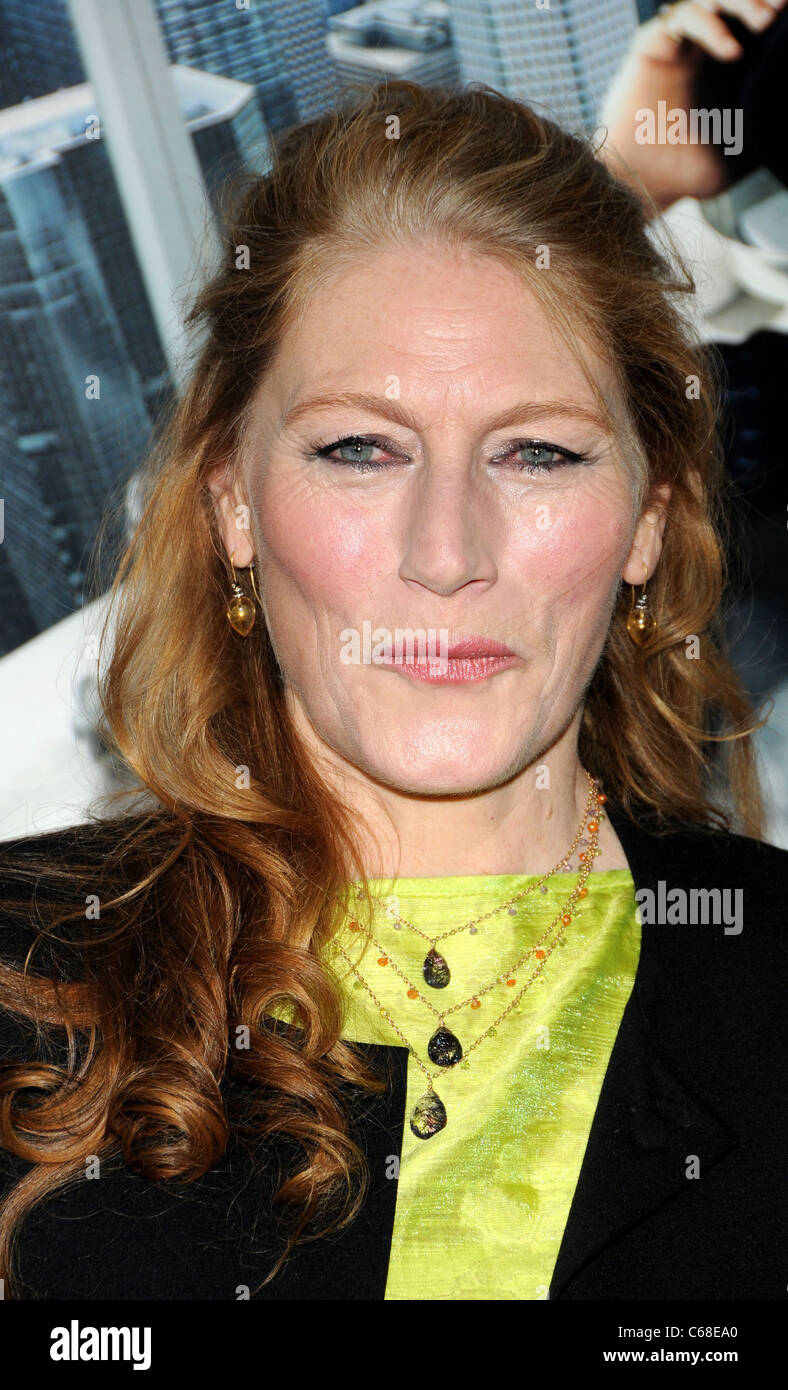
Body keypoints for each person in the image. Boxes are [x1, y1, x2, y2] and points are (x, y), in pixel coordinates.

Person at [0, 79, 785, 1302]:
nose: (445, 551)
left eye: (537, 452)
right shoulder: (19, 967)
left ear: (644, 520)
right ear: (232, 504)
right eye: (358, 449)